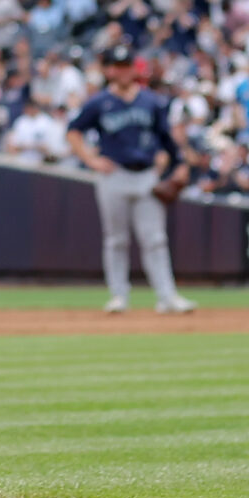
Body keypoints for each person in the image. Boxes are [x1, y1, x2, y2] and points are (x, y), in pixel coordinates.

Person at [65, 45, 197, 315]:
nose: (122, 71)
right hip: (114, 175)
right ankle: (119, 296)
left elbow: (167, 140)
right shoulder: (99, 102)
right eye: (118, 66)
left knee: (155, 239)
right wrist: (90, 160)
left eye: (127, 66)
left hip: (146, 176)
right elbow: (73, 132)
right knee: (116, 240)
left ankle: (167, 297)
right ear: (109, 69)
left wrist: (179, 163)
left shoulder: (150, 101)